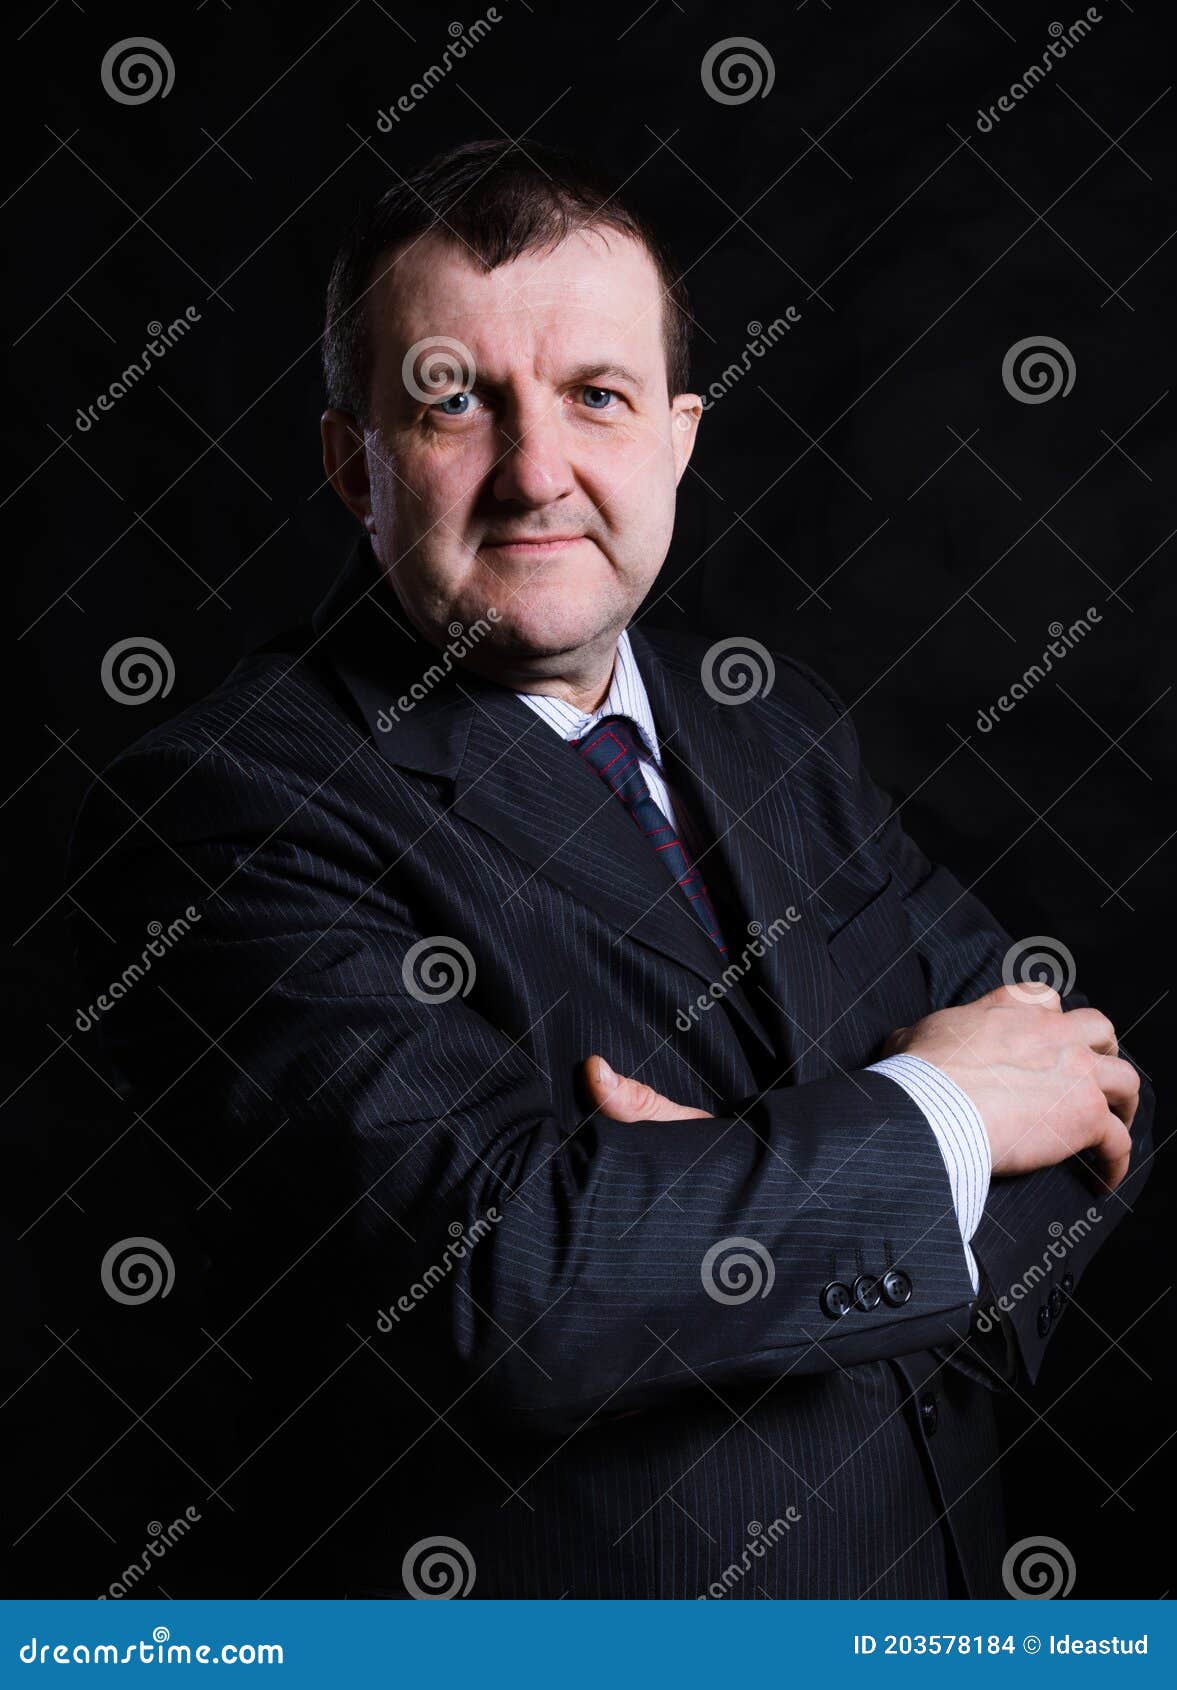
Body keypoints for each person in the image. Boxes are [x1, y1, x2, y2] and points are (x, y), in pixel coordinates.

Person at [68, 138, 1152, 1600]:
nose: (536, 473)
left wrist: (716, 1199)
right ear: (353, 461)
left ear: (676, 434)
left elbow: (1083, 1092)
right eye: (455, 400)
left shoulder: (771, 731)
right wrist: (940, 1118)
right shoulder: (232, 799)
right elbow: (497, 1282)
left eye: (596, 397)